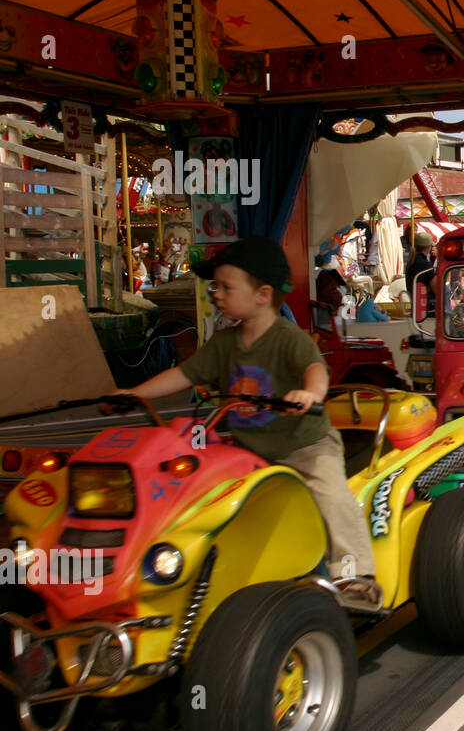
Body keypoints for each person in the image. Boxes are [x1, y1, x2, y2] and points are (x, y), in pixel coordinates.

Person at [111, 236, 381, 607]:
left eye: (225, 287)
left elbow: (315, 369)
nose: (216, 294)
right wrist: (135, 394)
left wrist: (310, 395)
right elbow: (184, 375)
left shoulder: (287, 338)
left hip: (304, 445)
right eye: (215, 286)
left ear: (261, 294)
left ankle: (355, 575)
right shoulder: (224, 343)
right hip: (247, 451)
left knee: (330, 492)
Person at [405, 228, 435, 300]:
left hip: (416, 302)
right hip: (425, 305)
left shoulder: (412, 261)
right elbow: (437, 290)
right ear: (429, 247)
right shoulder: (425, 265)